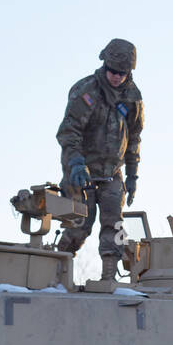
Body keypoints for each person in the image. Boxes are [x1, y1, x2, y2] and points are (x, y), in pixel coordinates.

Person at [55, 38, 144, 281]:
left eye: (122, 73)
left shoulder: (132, 97)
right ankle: (55, 271)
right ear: (104, 65)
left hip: (112, 172)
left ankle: (108, 278)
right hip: (81, 170)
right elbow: (68, 132)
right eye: (112, 71)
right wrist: (75, 162)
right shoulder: (86, 91)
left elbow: (134, 137)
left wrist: (133, 175)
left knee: (115, 225)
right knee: (79, 226)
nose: (116, 76)